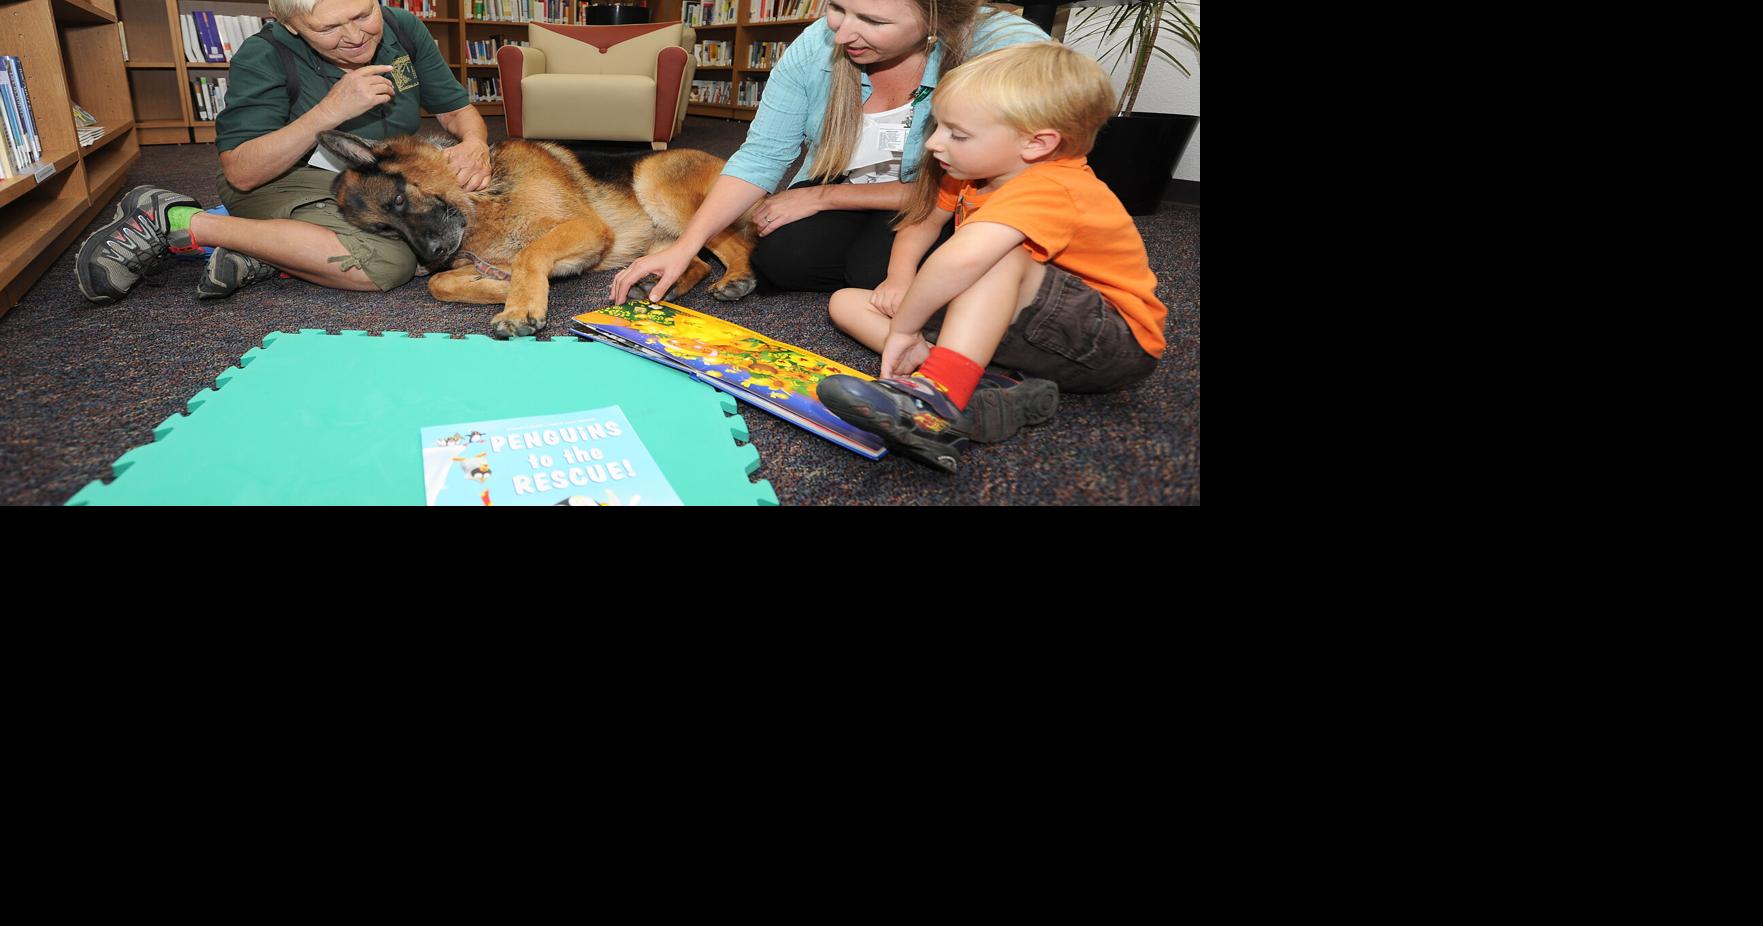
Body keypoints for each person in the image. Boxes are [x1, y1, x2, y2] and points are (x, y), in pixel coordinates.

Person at [815, 42, 1167, 474]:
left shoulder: (1051, 187)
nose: (934, 144)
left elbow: (961, 262)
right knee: (846, 302)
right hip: (1022, 324)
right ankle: (990, 386)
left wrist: (906, 326)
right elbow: (921, 222)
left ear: (1037, 144)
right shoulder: (971, 174)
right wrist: (899, 278)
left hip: (1110, 342)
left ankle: (936, 396)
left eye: (957, 134)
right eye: (937, 127)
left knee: (994, 257)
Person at [610, 0, 1044, 305]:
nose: (843, 33)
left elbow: (1010, 182)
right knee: (783, 259)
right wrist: (687, 244)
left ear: (935, 16)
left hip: (949, 196)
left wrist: (825, 198)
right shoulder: (816, 44)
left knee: (875, 271)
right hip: (850, 179)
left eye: (872, 20)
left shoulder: (1004, 50)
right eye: (837, 6)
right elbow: (761, 156)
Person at [75, 0, 492, 305]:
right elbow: (242, 172)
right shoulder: (263, 55)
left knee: (453, 224)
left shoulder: (402, 28)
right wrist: (328, 112)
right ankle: (175, 221)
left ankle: (264, 255)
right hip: (281, 175)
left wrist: (474, 144)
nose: (354, 36)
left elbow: (456, 108)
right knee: (390, 264)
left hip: (371, 175)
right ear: (289, 24)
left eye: (363, 15)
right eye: (329, 29)